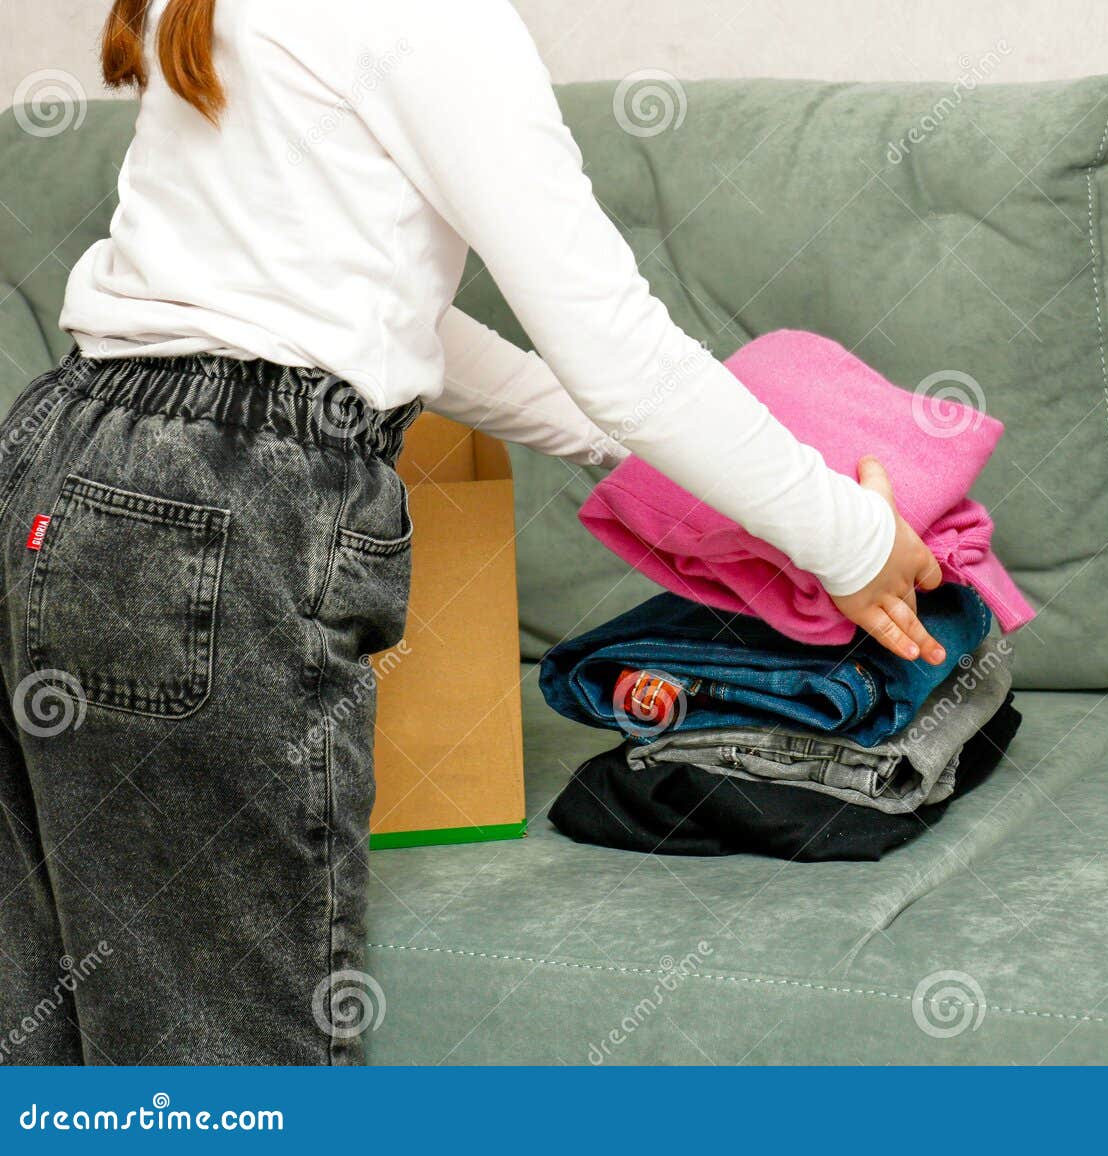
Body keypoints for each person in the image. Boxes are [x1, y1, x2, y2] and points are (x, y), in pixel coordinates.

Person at [0, 0, 944, 1065]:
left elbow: (368, 295)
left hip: (61, 470)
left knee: (47, 1037)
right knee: (231, 1067)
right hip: (217, 516)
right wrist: (854, 541)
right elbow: (619, 345)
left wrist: (619, 450)